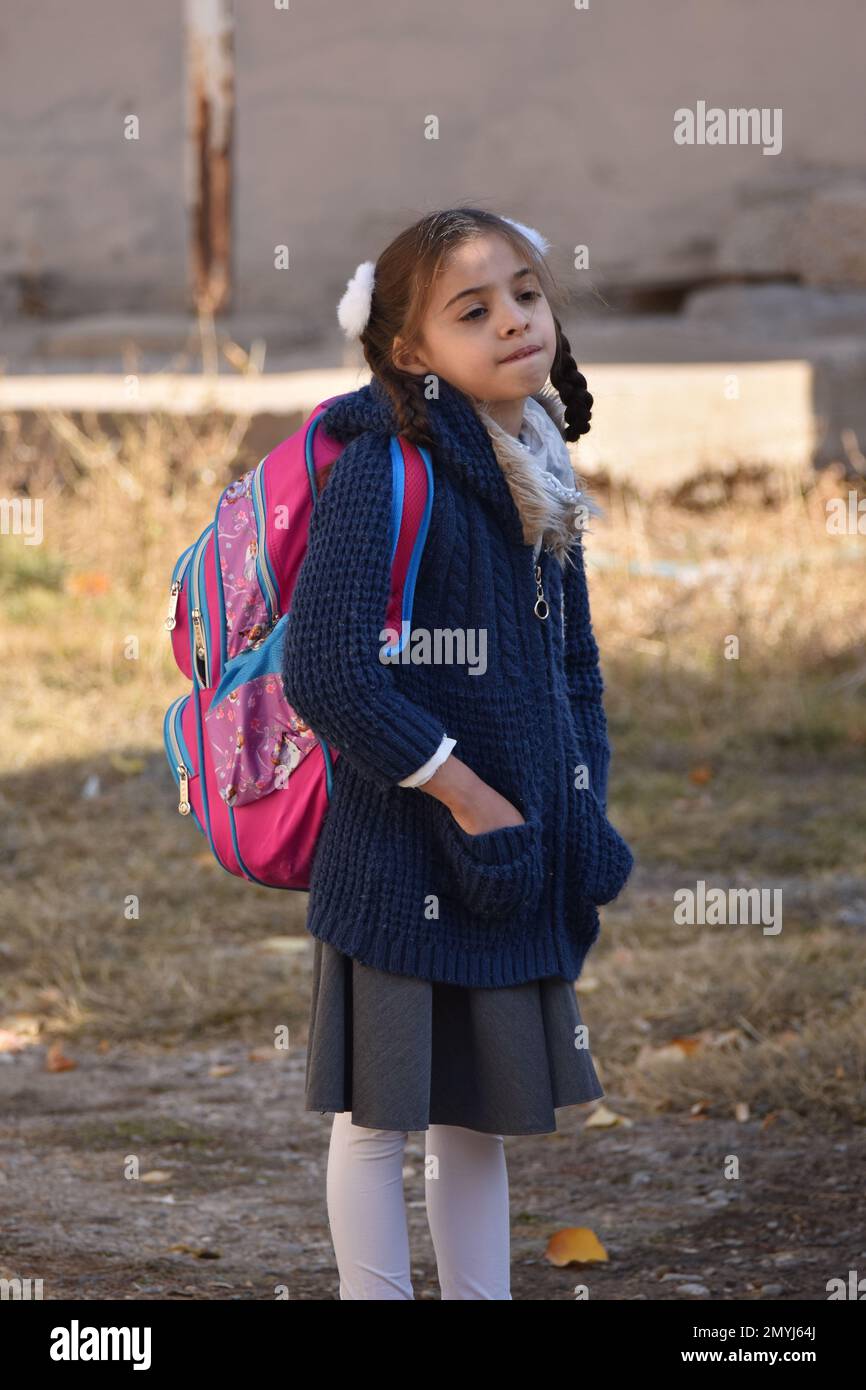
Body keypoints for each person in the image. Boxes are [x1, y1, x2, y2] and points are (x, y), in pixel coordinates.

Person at [281, 206, 634, 1299]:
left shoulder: (535, 469)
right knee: (377, 1120)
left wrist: (581, 807)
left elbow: (571, 672)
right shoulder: (386, 472)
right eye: (471, 310)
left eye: (524, 294)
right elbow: (329, 675)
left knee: (475, 1114)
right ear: (408, 351)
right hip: (401, 855)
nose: (512, 322)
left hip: (509, 859)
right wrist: (469, 796)